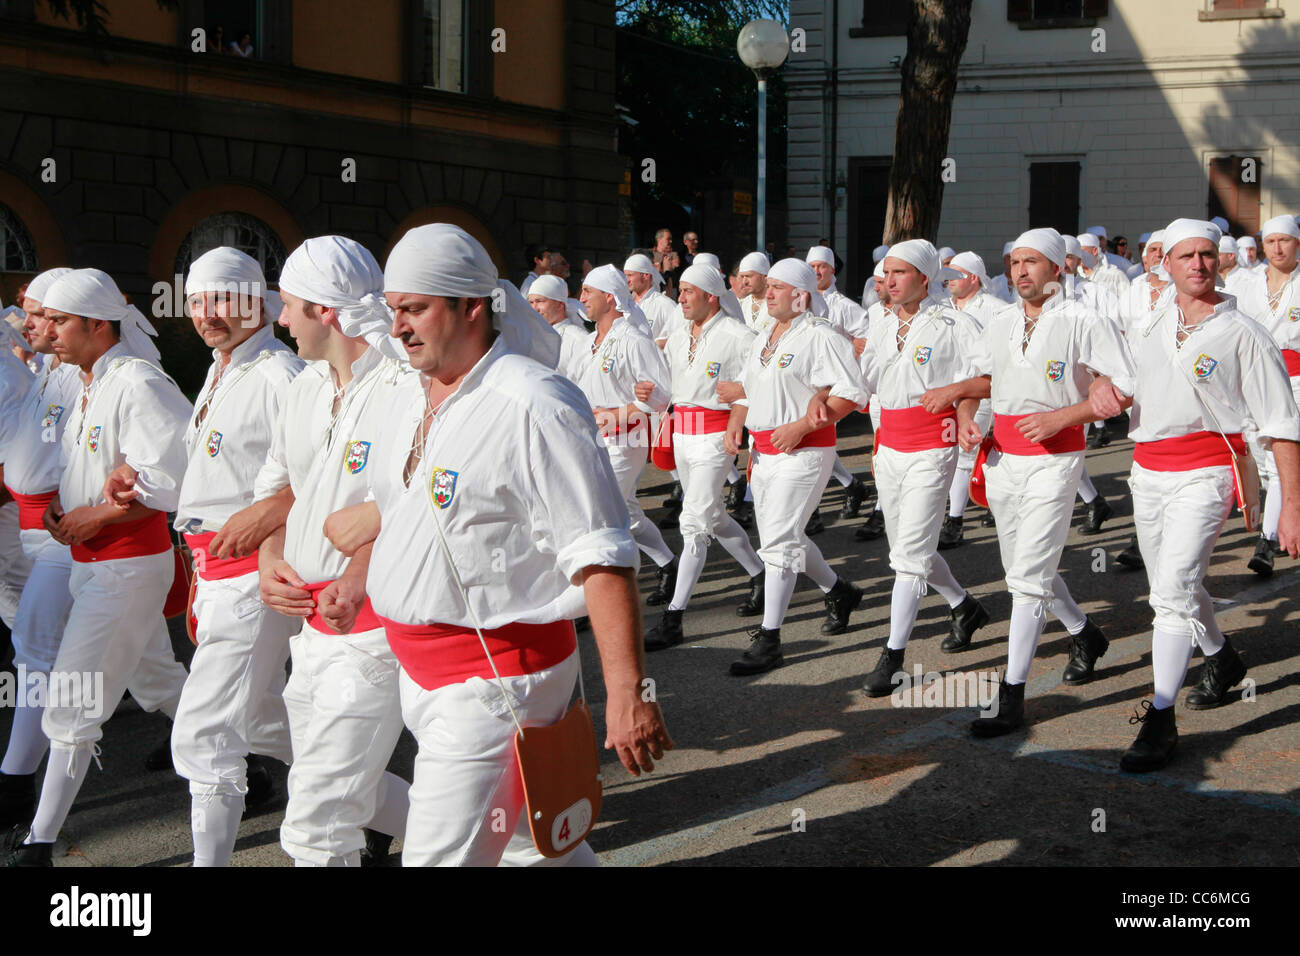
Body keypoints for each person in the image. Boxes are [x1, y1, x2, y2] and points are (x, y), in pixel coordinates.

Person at [327, 223, 671, 865]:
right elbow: (411, 513)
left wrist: (629, 693)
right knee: (531, 848)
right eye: (393, 309)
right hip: (424, 674)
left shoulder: (533, 403)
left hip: (495, 684)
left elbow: (601, 555)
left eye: (415, 309)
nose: (398, 327)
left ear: (471, 306)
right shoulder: (409, 395)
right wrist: (358, 576)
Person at [1089, 218, 1300, 771]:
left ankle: (1159, 716)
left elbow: (1281, 425)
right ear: (1167, 264)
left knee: (1172, 593)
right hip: (1147, 472)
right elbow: (1119, 381)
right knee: (1172, 586)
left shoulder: (1245, 333)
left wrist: (1293, 506)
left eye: (1208, 255)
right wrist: (1095, 384)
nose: (1199, 265)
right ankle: (1221, 657)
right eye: (1187, 256)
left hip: (1208, 472)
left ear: (1220, 260)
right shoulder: (1153, 323)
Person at [5, 269, 191, 867]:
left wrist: (101, 514)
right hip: (94, 561)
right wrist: (80, 518)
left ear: (97, 323)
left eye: (60, 321)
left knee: (70, 703)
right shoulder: (88, 381)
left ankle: (37, 844)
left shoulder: (137, 383)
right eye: (46, 320)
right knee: (160, 685)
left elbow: (174, 477)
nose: (48, 332)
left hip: (126, 569)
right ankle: (253, 763)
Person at [254, 236, 411, 867]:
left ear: (325, 311)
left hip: (375, 631)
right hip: (311, 633)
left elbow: (428, 494)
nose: (280, 319)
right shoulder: (304, 387)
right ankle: (511, 845)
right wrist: (268, 555)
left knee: (316, 822)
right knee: (356, 789)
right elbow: (277, 491)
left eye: (289, 305)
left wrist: (361, 567)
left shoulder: (404, 386)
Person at [955, 229, 1135, 737]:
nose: (1021, 271)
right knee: (1022, 568)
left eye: (1033, 262)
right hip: (1004, 456)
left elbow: (1122, 386)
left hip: (1056, 458)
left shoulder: (1084, 320)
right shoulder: (1001, 322)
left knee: (1028, 577)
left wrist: (1066, 416)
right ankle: (1084, 632)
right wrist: (969, 416)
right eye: (1015, 263)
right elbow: (979, 382)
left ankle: (1011, 694)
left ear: (1057, 268)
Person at [165, 247, 304, 867]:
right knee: (274, 728)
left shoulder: (279, 375)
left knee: (206, 736)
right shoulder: (222, 368)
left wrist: (264, 519)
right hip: (211, 573)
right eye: (196, 300)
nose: (205, 314)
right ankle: (367, 801)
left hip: (252, 576)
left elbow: (321, 474)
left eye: (220, 298)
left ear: (257, 300)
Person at [722, 259, 869, 676]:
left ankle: (770, 638)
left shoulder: (820, 336)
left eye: (776, 287)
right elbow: (750, 389)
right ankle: (838, 590)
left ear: (801, 296)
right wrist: (737, 424)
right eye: (767, 286)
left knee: (780, 543)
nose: (767, 293)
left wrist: (803, 425)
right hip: (765, 451)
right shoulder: (764, 335)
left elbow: (852, 392)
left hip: (804, 452)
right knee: (784, 539)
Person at [858, 240, 991, 696]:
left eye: (899, 273)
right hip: (890, 445)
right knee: (907, 551)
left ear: (924, 278)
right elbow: (865, 386)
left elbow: (987, 374)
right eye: (885, 274)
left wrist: (961, 403)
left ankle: (893, 654)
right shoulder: (879, 324)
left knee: (909, 556)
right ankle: (963, 604)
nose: (889, 282)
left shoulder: (955, 323)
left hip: (933, 446)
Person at [643, 264, 763, 650]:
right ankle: (759, 574)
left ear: (711, 296)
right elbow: (672, 394)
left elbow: (757, 385)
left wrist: (739, 420)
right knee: (712, 515)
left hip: (716, 438)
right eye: (679, 291)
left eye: (687, 291)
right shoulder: (677, 337)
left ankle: (675, 615)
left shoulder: (738, 335)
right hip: (682, 436)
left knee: (692, 523)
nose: (679, 298)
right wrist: (652, 398)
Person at [0, 269, 79, 832]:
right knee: (151, 677)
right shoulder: (46, 370)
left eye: (42, 314)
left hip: (67, 539)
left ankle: (13, 785)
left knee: (32, 651)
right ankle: (243, 758)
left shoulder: (94, 376)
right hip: (31, 531)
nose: (27, 323)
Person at [573, 266, 678, 605]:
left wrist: (618, 413)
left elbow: (662, 395)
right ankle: (668, 564)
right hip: (594, 438)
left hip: (626, 440)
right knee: (626, 510)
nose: (581, 298)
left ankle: (605, 598)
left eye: (588, 291)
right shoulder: (589, 341)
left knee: (601, 514)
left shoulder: (634, 340)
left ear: (609, 297)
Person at [1235, 214, 1300, 575]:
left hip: (1295, 382)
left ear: (1297, 244)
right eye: (1271, 241)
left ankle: (1267, 541)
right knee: (1260, 458)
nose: (1277, 248)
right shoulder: (1246, 284)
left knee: (1278, 459)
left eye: (1285, 241)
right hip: (1253, 382)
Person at [805, 246, 871, 522]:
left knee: (813, 442)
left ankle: (813, 510)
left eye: (822, 266)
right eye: (812, 267)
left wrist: (853, 348)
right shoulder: (801, 301)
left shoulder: (843, 306)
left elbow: (867, 338)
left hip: (831, 386)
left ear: (832, 269)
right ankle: (850, 486)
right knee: (814, 443)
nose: (817, 271)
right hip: (805, 381)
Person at [938, 252, 998, 548]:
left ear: (973, 278)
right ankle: (994, 502)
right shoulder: (941, 308)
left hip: (980, 392)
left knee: (965, 453)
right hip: (947, 391)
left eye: (955, 274)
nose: (948, 281)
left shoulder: (996, 310)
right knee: (958, 454)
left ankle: (956, 520)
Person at [527, 275, 587, 377]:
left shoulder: (578, 339)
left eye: (540, 301)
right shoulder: (529, 336)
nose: (534, 308)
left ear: (560, 304)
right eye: (531, 302)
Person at [625, 253, 677, 347]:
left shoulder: (664, 304)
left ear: (646, 276)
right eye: (625, 275)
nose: (626, 279)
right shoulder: (624, 304)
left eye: (630, 275)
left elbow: (680, 334)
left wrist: (656, 345)